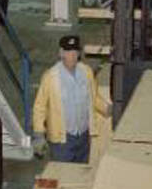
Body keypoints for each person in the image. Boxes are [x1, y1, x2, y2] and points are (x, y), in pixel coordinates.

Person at [32, 34, 110, 164]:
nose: (72, 56)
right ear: (61, 53)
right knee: (62, 173)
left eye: (75, 52)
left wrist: (109, 109)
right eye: (68, 52)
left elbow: (94, 98)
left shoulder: (87, 72)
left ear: (79, 53)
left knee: (80, 171)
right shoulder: (50, 77)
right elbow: (40, 107)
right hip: (62, 140)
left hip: (83, 137)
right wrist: (39, 134)